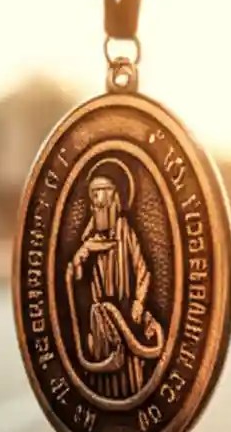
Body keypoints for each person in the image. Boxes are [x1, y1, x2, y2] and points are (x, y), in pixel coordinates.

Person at [66, 157, 164, 399]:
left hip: (125, 318)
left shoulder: (125, 231)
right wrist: (78, 261)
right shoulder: (89, 238)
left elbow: (143, 271)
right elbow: (77, 279)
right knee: (105, 377)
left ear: (115, 197)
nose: (97, 201)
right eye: (94, 193)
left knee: (128, 376)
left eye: (102, 192)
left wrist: (139, 304)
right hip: (100, 321)